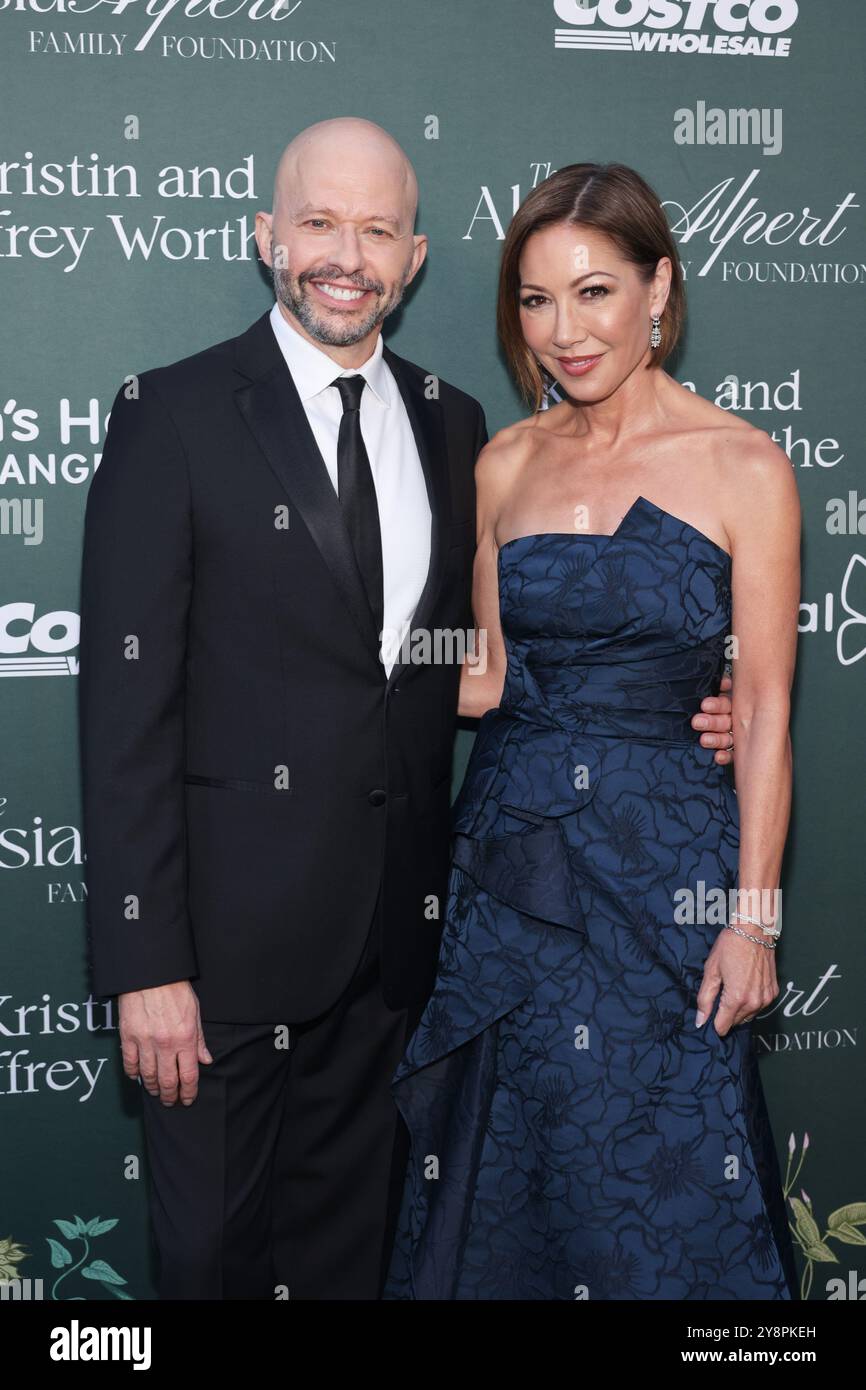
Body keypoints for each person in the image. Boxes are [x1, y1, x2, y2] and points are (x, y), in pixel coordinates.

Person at [78, 126, 735, 1301]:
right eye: (319, 224)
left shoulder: (453, 426)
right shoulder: (170, 415)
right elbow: (128, 708)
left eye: (376, 229)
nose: (346, 254)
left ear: (414, 256)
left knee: (352, 1264)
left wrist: (679, 690)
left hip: (398, 955)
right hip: (217, 968)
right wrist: (143, 966)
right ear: (265, 238)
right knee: (208, 1268)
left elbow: (449, 662)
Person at [383, 162, 800, 1301]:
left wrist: (751, 920)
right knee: (510, 1159)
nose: (564, 332)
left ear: (656, 288)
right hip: (510, 862)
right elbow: (485, 677)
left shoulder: (743, 465)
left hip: (664, 876)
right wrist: (313, 672)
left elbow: (761, 711)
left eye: (594, 292)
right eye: (534, 300)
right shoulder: (503, 463)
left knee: (664, 1167)